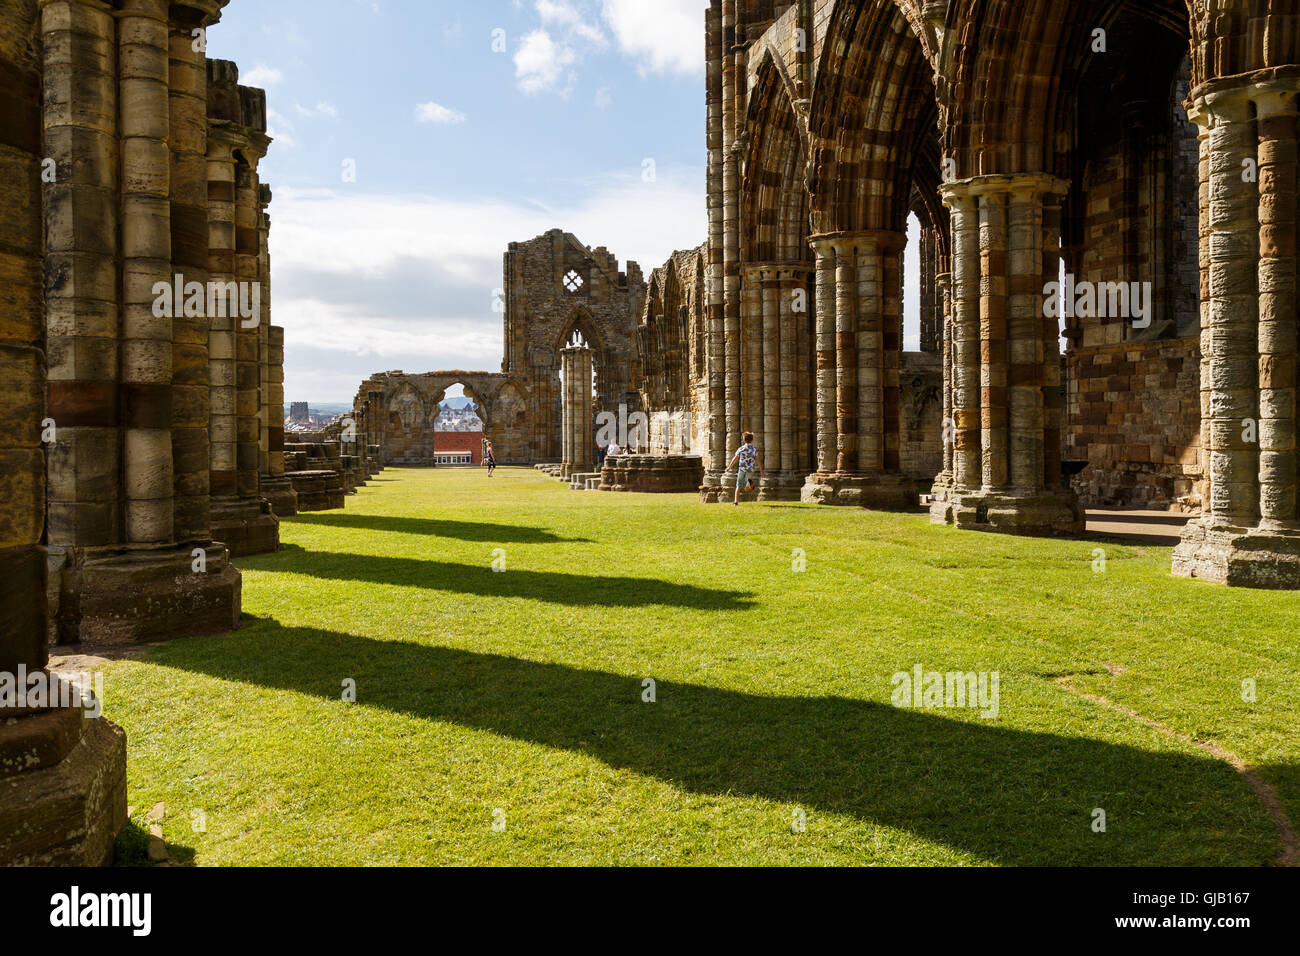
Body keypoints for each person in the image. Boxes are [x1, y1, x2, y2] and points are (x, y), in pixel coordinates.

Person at [727, 431, 766, 505]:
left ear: (744, 440)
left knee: (738, 485)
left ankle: (735, 502)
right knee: (746, 487)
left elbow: (735, 458)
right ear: (752, 440)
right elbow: (758, 460)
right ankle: (750, 484)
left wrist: (729, 467)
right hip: (750, 470)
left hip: (741, 469)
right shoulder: (754, 449)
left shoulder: (741, 449)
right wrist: (761, 471)